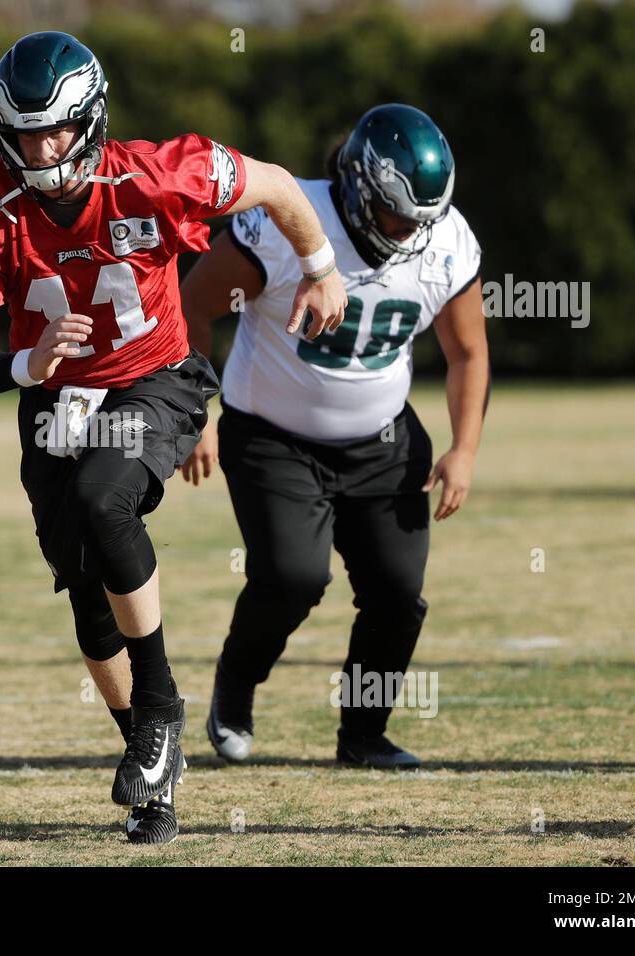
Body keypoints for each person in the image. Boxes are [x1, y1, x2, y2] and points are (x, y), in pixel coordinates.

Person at [0, 32, 347, 842]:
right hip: (54, 392)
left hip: (156, 376)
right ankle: (155, 778)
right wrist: (25, 362)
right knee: (85, 592)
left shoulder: (162, 173)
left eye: (54, 130)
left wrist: (322, 264)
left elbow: (273, 183)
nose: (40, 149)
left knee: (102, 497)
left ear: (89, 119)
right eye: (23, 133)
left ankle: (160, 709)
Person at [180, 104, 490, 768]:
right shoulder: (284, 222)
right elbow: (194, 304)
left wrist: (464, 447)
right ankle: (235, 686)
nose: (409, 234)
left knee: (397, 597)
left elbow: (467, 352)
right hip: (273, 436)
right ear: (356, 187)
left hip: (382, 442)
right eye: (395, 215)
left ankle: (363, 733)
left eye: (421, 220)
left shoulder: (446, 241)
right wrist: (197, 411)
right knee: (292, 578)